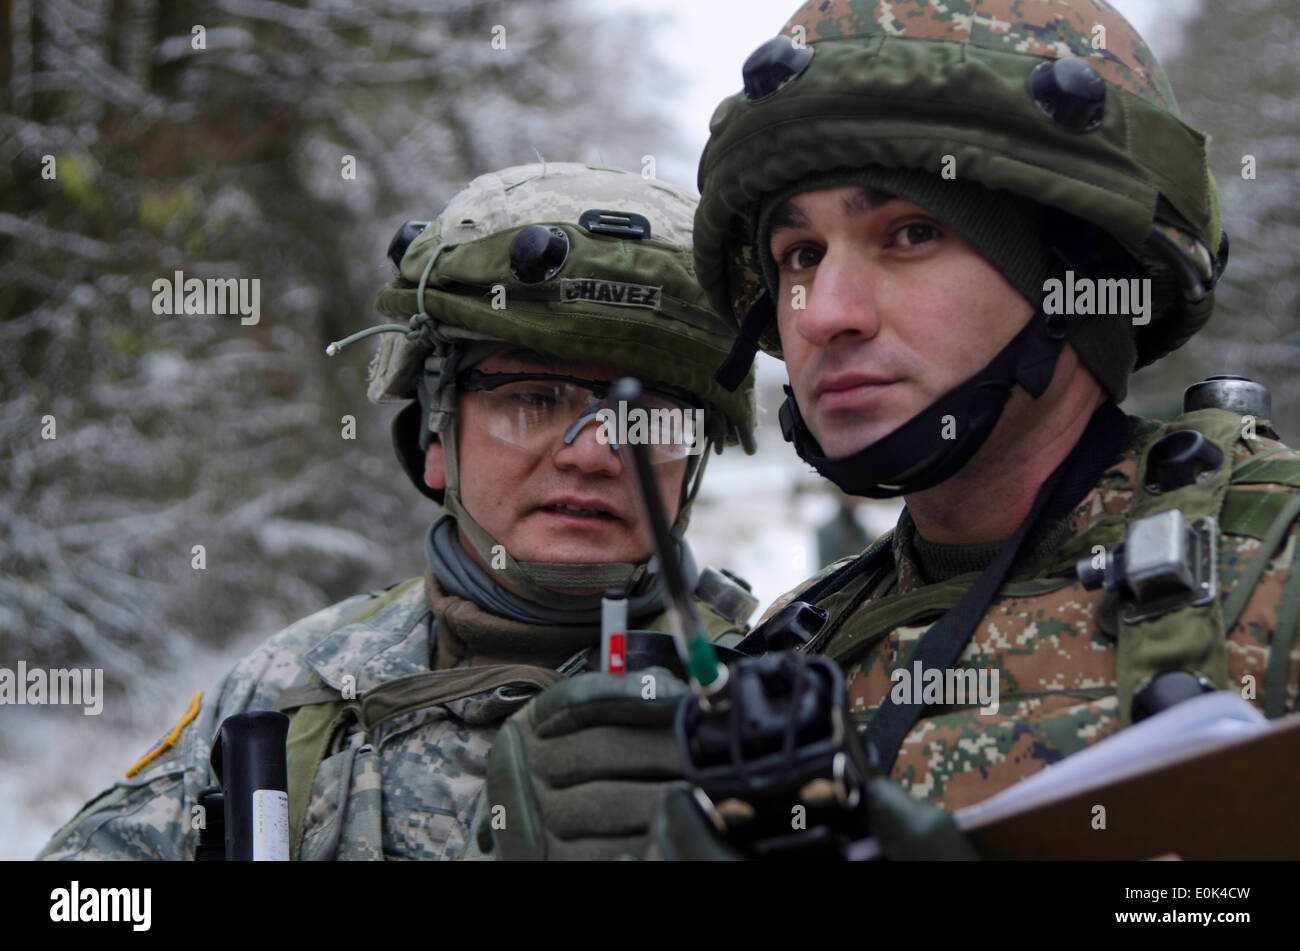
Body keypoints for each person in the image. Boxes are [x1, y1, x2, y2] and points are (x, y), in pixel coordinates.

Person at [480, 0, 1300, 860]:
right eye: (800, 255)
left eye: (910, 233)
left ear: (1076, 274)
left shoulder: (1269, 576)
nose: (825, 313)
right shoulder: (793, 651)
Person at [36, 162, 758, 861]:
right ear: (436, 438)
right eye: (537, 399)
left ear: (690, 466)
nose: (597, 453)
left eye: (652, 417)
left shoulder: (771, 707)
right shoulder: (301, 688)